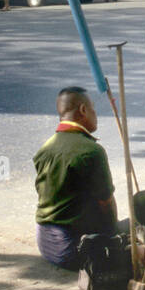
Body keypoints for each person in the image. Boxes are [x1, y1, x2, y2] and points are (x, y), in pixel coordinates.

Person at [33, 87, 118, 270]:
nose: (95, 114)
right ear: (83, 110)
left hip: (45, 245)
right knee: (136, 228)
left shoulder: (45, 148)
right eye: (93, 109)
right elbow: (106, 202)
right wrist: (115, 240)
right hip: (71, 249)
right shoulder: (91, 151)